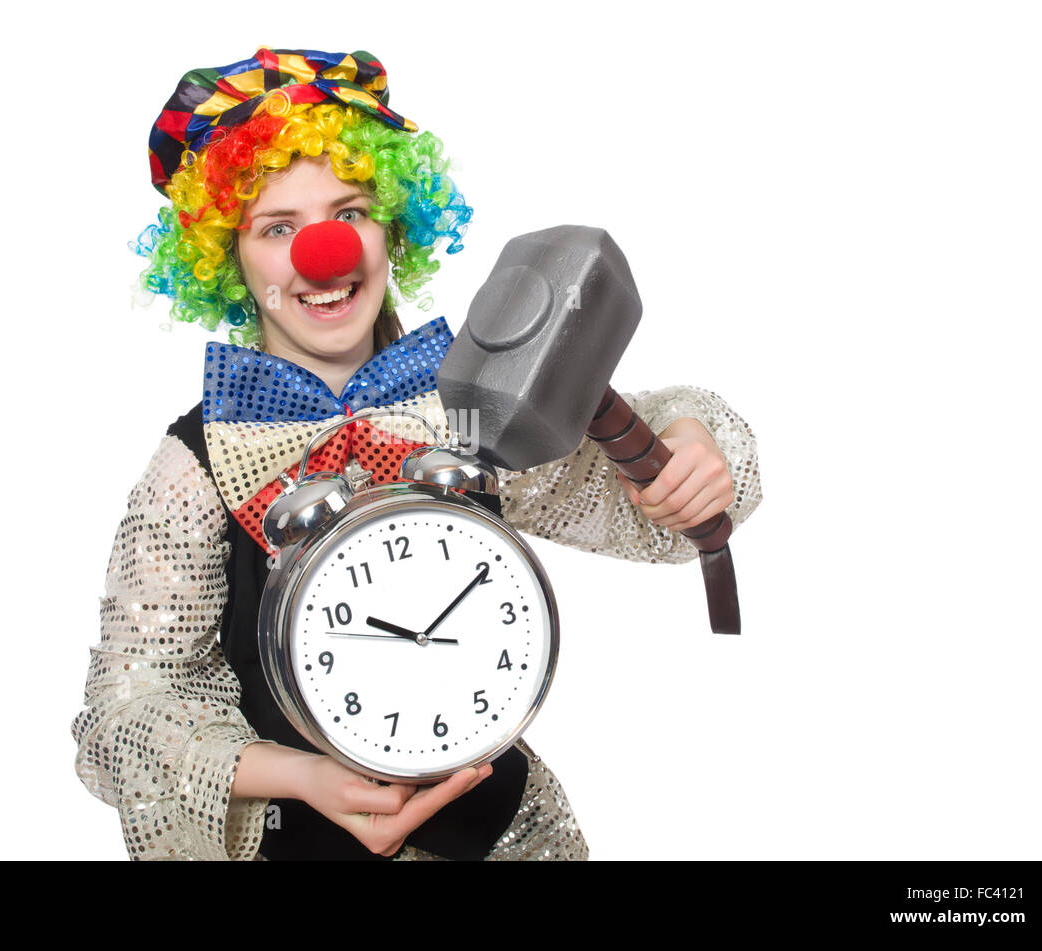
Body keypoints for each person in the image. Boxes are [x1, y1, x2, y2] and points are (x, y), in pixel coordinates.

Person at [71, 47, 762, 861]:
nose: (321, 252)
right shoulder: (198, 465)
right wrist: (297, 776)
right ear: (227, 254)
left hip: (504, 836)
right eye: (278, 227)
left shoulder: (469, 412)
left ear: (395, 227)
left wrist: (686, 446)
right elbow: (122, 717)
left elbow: (638, 500)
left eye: (350, 212)